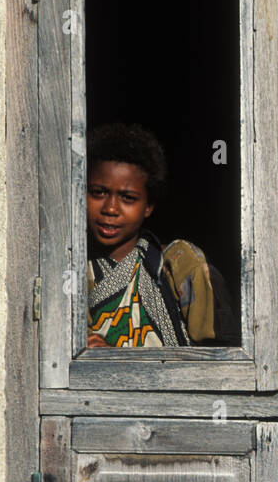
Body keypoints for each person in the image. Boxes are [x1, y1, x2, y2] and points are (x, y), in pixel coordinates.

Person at [86, 123, 236, 348]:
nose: (110, 208)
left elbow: (220, 356)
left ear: (148, 206)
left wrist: (111, 358)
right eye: (98, 193)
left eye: (127, 198)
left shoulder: (179, 265)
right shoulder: (71, 269)